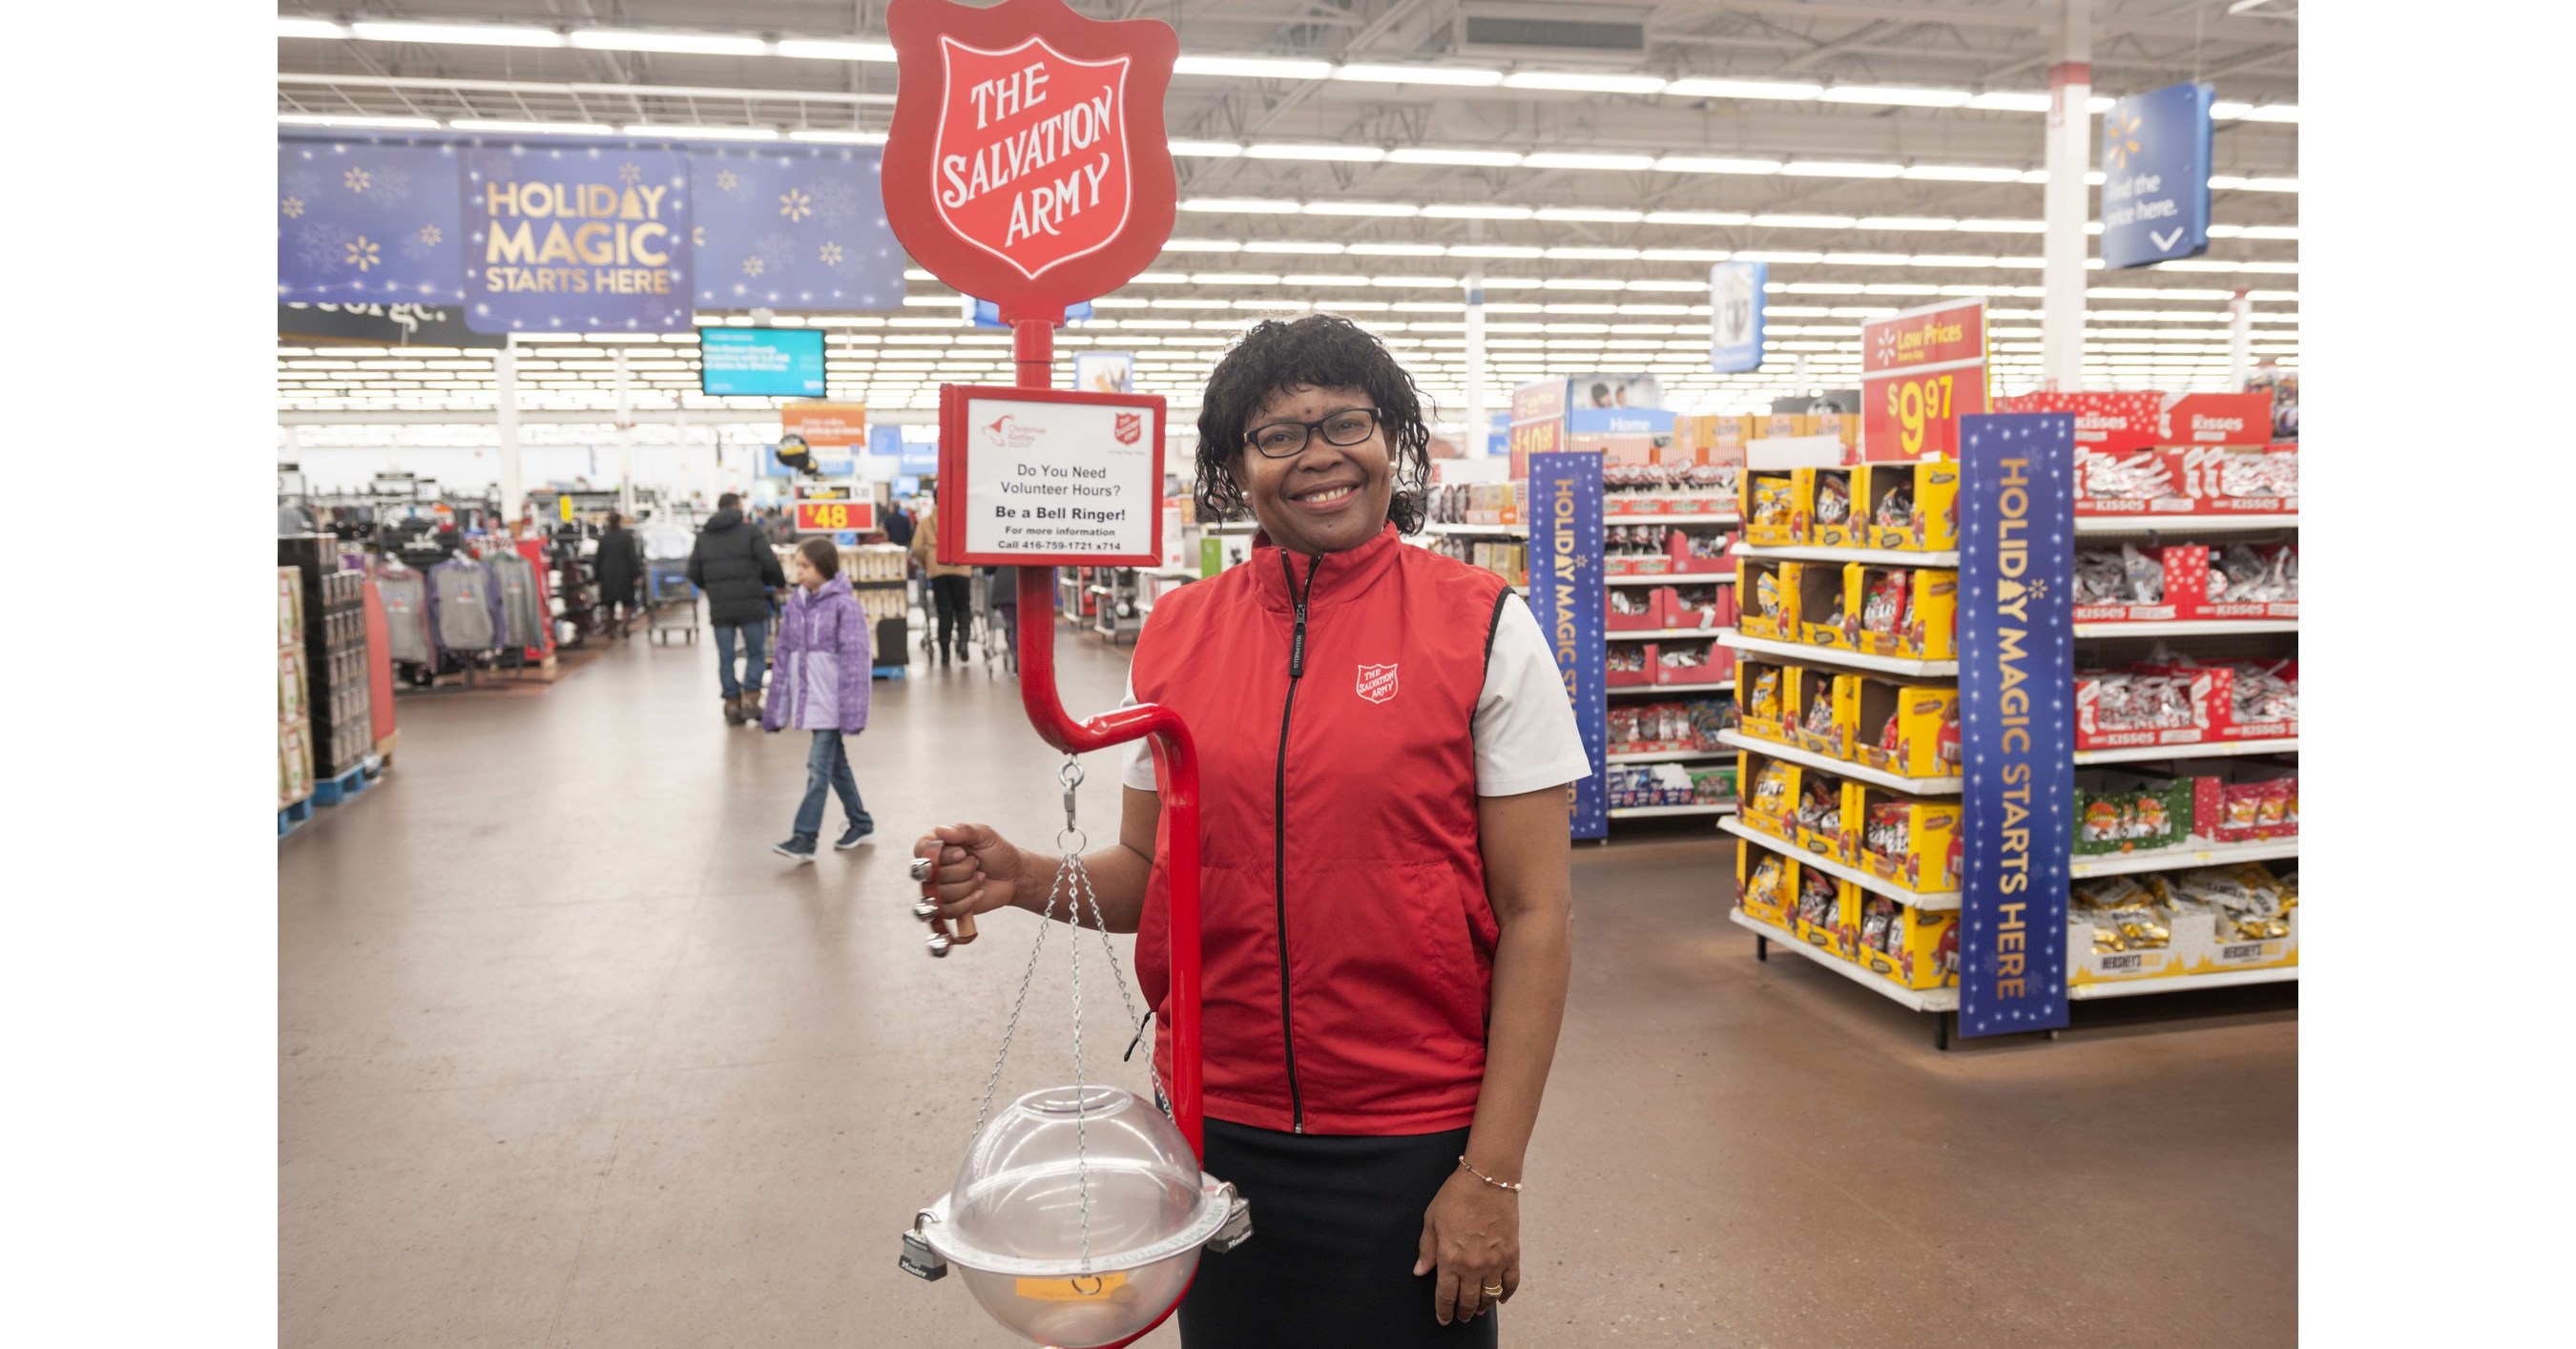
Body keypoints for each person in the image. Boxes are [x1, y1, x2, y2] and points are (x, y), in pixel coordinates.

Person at [915, 314, 1587, 1347]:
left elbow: (1537, 914)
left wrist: (1491, 1172)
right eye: (1278, 436)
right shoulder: (1179, 632)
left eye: (1347, 423)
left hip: (1411, 1131)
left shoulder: (1484, 625)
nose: (1319, 456)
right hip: (1213, 1129)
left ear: (1389, 442)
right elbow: (1155, 871)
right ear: (1234, 470)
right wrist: (1023, 877)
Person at [763, 538, 876, 861]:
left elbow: (856, 661)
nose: (797, 572)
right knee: (835, 766)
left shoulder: (845, 606)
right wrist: (776, 708)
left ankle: (804, 837)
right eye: (796, 565)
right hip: (809, 699)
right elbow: (784, 655)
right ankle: (861, 822)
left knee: (817, 768)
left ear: (823, 567)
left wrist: (852, 711)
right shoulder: (797, 604)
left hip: (831, 702)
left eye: (804, 566)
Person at [686, 491, 787, 725]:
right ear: (736, 507)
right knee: (756, 651)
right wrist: (779, 583)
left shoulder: (703, 537)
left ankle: (732, 704)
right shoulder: (750, 532)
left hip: (720, 606)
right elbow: (769, 561)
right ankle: (751, 699)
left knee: (726, 655)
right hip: (751, 601)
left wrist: (711, 587)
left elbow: (693, 572)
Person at [908, 497, 973, 665]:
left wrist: (927, 562)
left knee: (944, 610)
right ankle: (963, 643)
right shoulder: (964, 519)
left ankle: (945, 652)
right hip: (962, 567)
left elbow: (916, 547)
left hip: (937, 569)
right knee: (963, 607)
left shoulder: (927, 521)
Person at [594, 511, 646, 636]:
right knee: (627, 602)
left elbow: (598, 558)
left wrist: (597, 577)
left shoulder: (604, 538)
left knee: (610, 604)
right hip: (625, 574)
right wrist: (637, 575)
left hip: (607, 574)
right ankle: (624, 625)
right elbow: (632, 557)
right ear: (620, 522)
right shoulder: (627, 537)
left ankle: (610, 629)